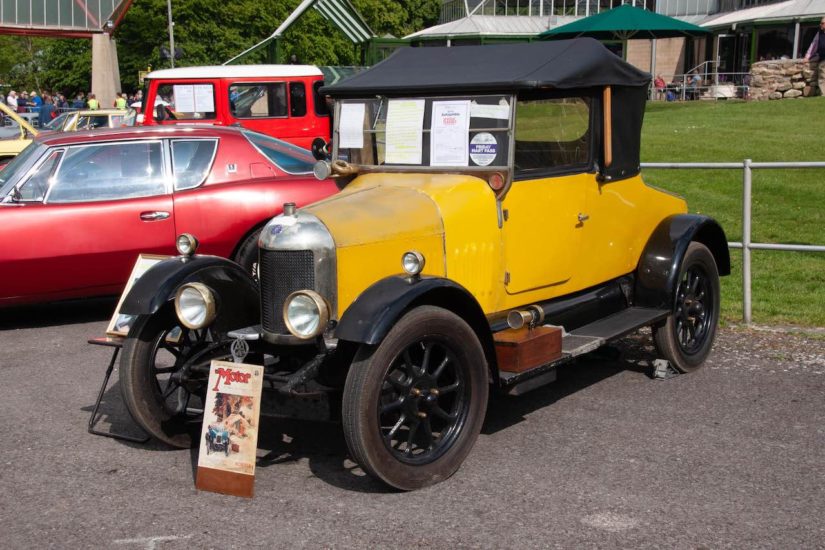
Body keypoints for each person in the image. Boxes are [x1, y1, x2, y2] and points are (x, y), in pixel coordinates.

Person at [803, 16, 825, 95]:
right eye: (821, 23)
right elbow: (813, 45)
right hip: (823, 59)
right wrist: (807, 56)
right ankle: (824, 95)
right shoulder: (819, 33)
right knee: (822, 78)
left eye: (822, 23)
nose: (820, 25)